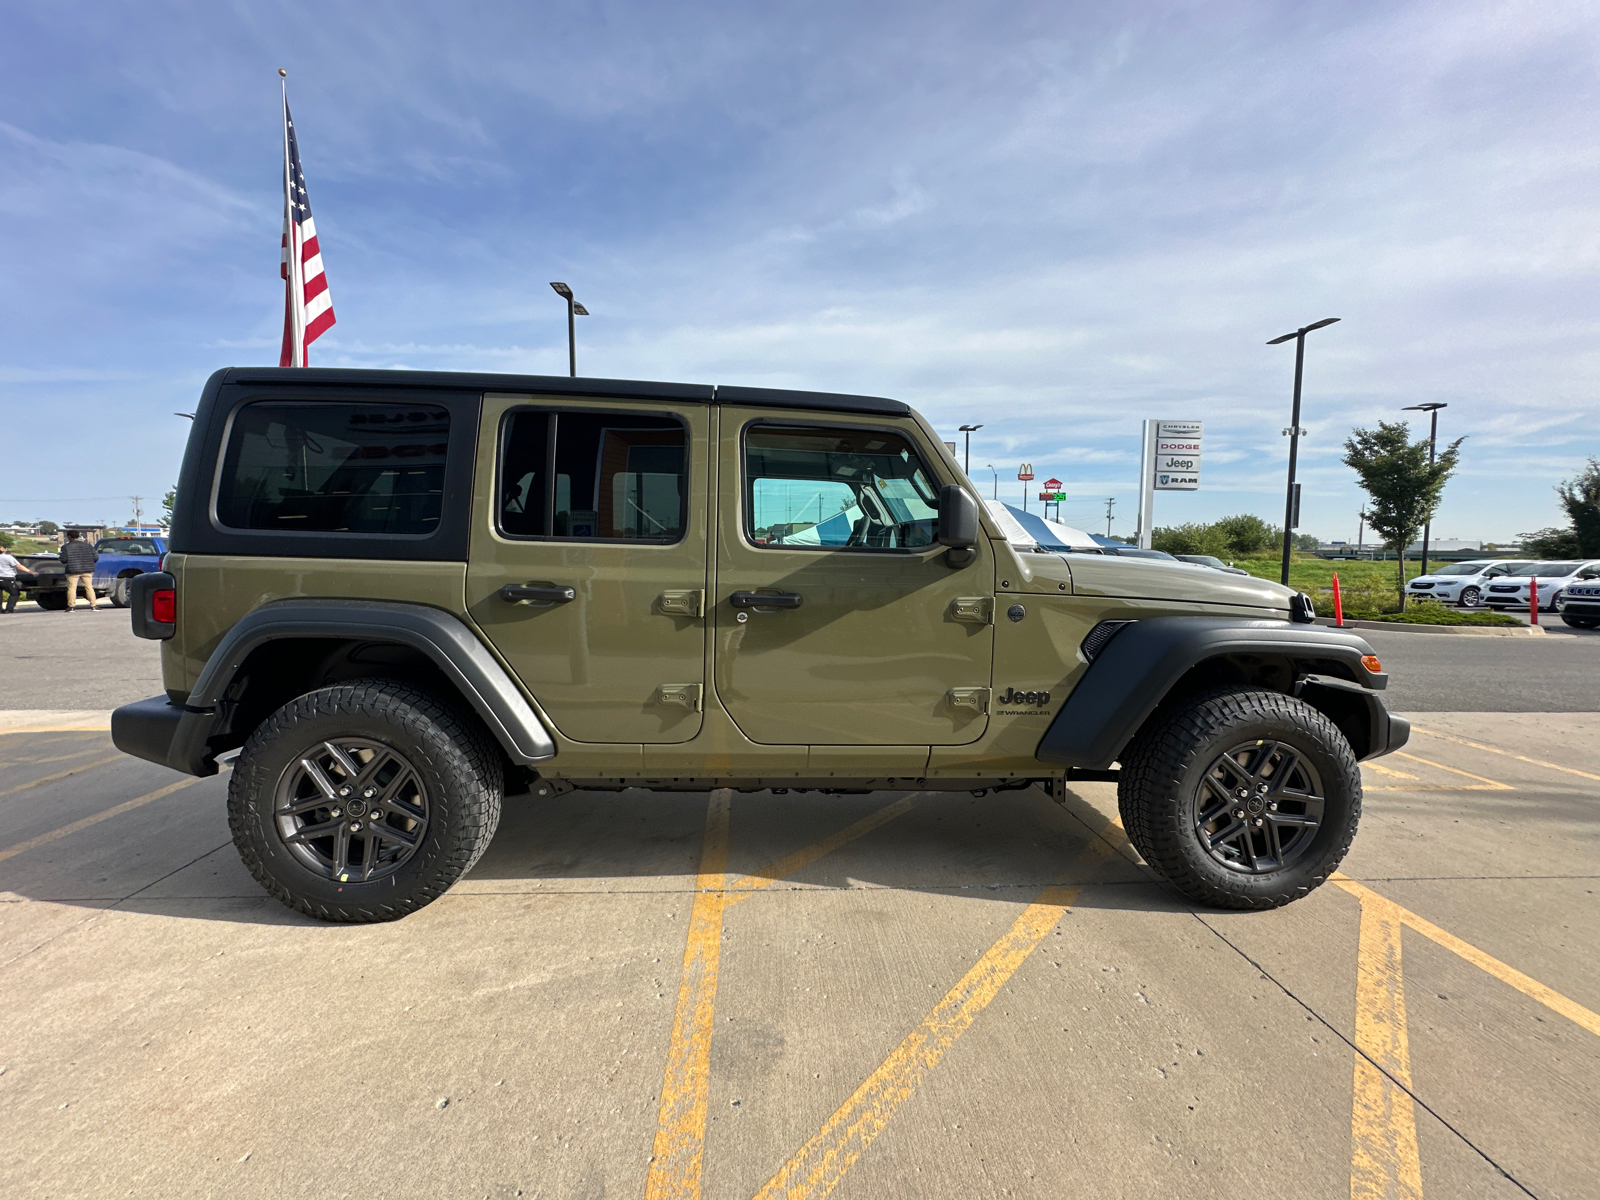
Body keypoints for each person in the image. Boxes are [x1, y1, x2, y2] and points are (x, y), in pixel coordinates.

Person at [59, 530, 99, 612]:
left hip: (72, 570)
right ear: (78, 536)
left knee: (72, 588)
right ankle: (94, 605)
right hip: (87, 569)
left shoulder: (65, 547)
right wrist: (90, 563)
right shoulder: (88, 546)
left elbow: (63, 560)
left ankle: (71, 606)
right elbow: (96, 557)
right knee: (89, 587)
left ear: (69, 536)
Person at [0, 545, 35, 614]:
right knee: (14, 593)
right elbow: (19, 566)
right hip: (7, 577)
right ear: (4, 550)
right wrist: (30, 572)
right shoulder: (8, 557)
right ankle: (8, 609)